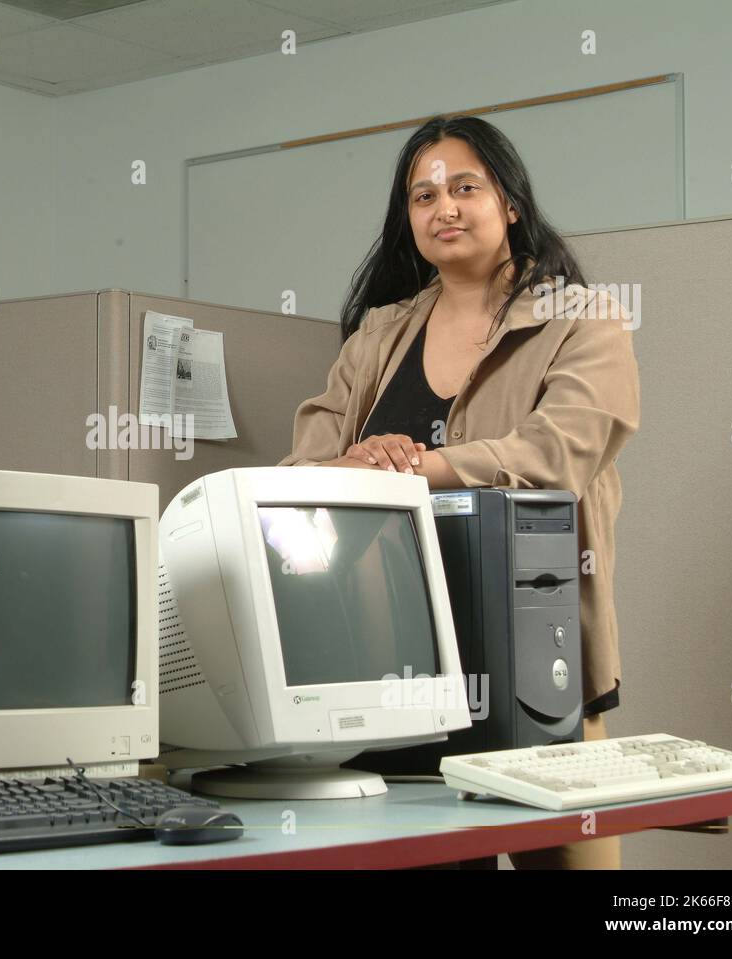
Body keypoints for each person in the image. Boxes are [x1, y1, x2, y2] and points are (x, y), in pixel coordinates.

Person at [278, 115, 640, 869]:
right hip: (396, 680)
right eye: (422, 195)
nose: (444, 206)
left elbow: (554, 456)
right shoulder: (377, 337)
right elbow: (295, 481)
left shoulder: (584, 320)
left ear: (510, 202)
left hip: (539, 671)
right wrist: (355, 460)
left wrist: (408, 467)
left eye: (465, 186)